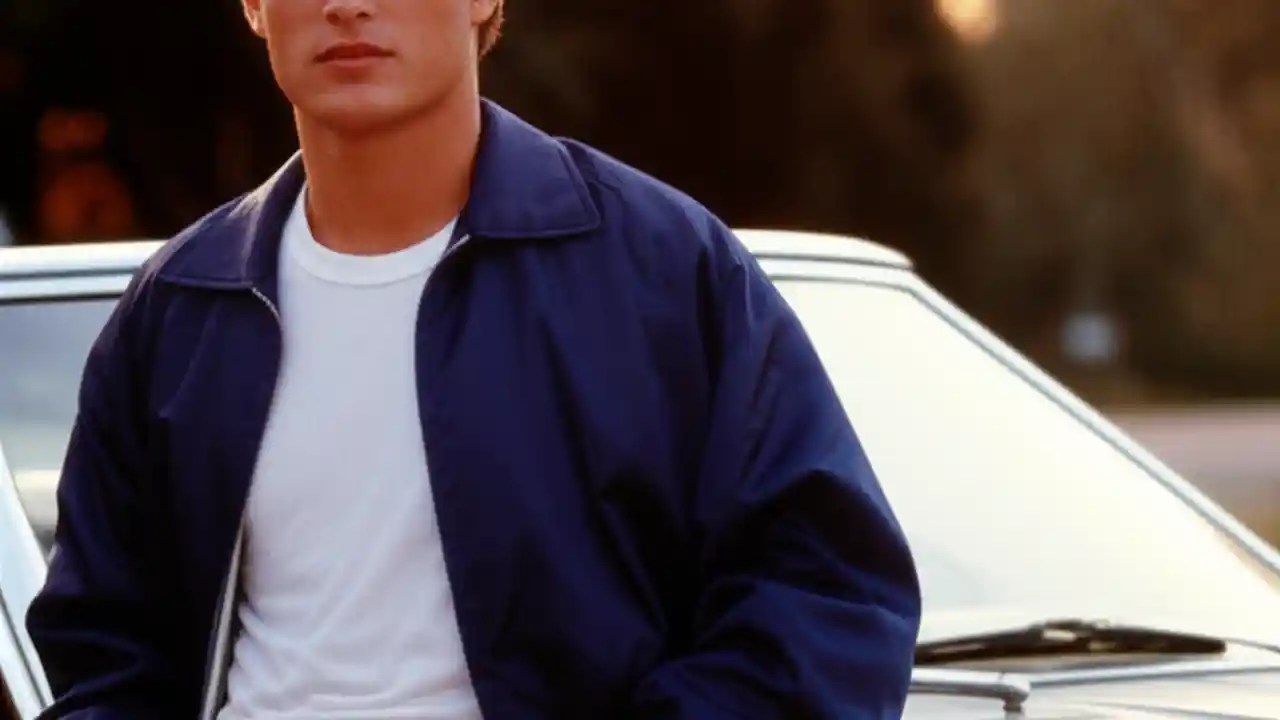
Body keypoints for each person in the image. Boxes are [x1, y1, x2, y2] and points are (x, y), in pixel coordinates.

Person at [27, 1, 921, 718]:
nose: (348, 7)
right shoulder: (180, 308)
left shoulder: (660, 269)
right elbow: (106, 650)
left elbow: (827, 597)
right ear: (255, 7)